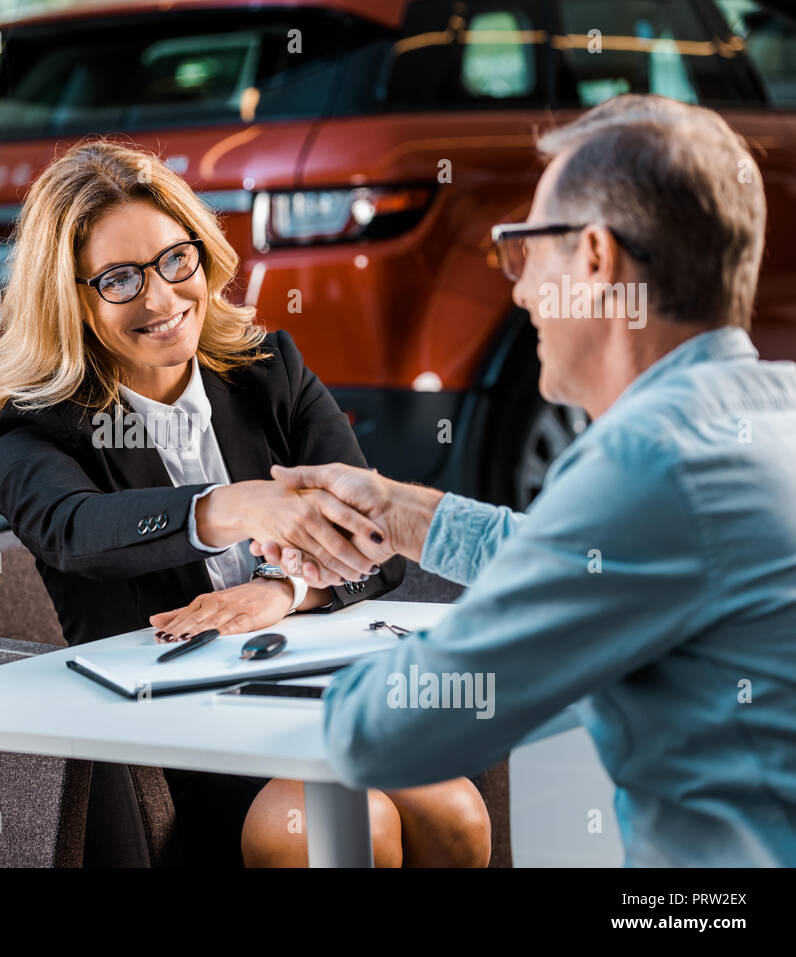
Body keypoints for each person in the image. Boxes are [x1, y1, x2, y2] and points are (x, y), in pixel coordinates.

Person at [257, 94, 796, 866]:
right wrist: (398, 509)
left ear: (596, 259)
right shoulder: (771, 413)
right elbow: (590, 558)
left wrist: (304, 657)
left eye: (526, 250)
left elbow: (382, 734)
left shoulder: (648, 462)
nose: (518, 290)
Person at [0, 138, 491, 867]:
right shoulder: (37, 430)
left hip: (307, 689)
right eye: (120, 279)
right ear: (73, 299)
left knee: (456, 810)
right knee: (349, 826)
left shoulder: (268, 373)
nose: (160, 298)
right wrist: (232, 506)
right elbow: (76, 532)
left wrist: (282, 589)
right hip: (181, 737)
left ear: (202, 252)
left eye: (172, 261)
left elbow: (374, 549)